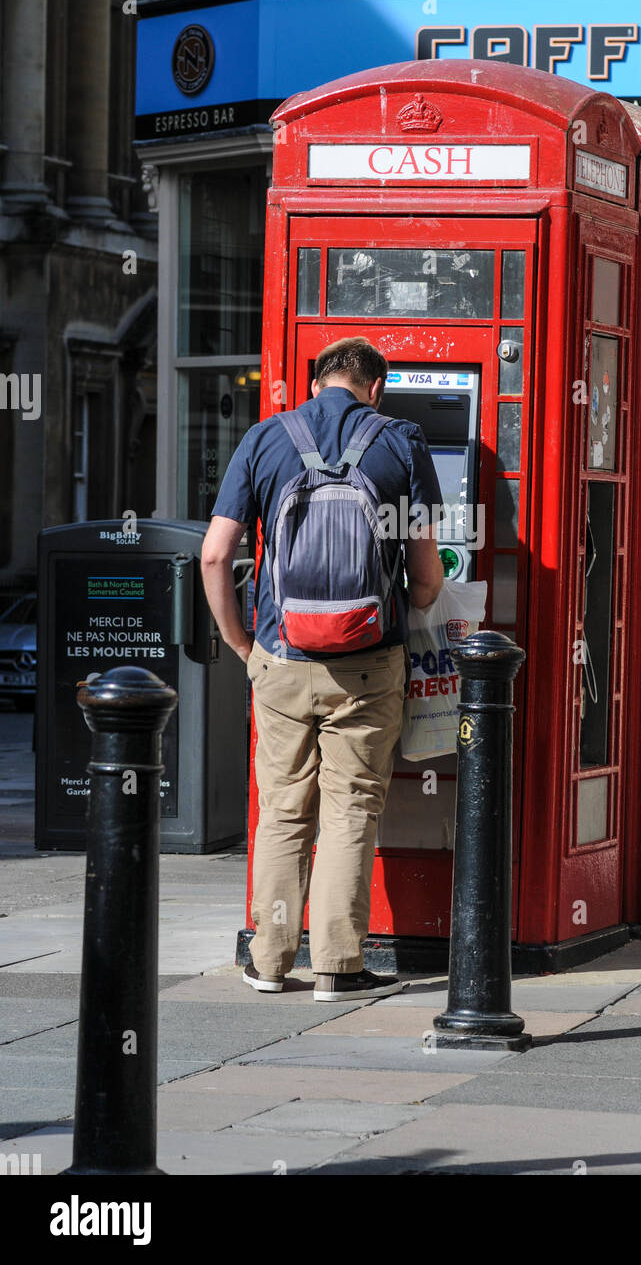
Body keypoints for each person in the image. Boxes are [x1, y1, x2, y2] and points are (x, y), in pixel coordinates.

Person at [201, 337, 443, 1000]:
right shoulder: (401, 440)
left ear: (313, 382)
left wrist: (243, 646)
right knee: (349, 812)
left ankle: (270, 962)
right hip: (369, 660)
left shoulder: (264, 438)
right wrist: (412, 606)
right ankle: (338, 966)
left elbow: (215, 556)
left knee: (282, 814)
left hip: (280, 656)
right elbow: (424, 579)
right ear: (377, 386)